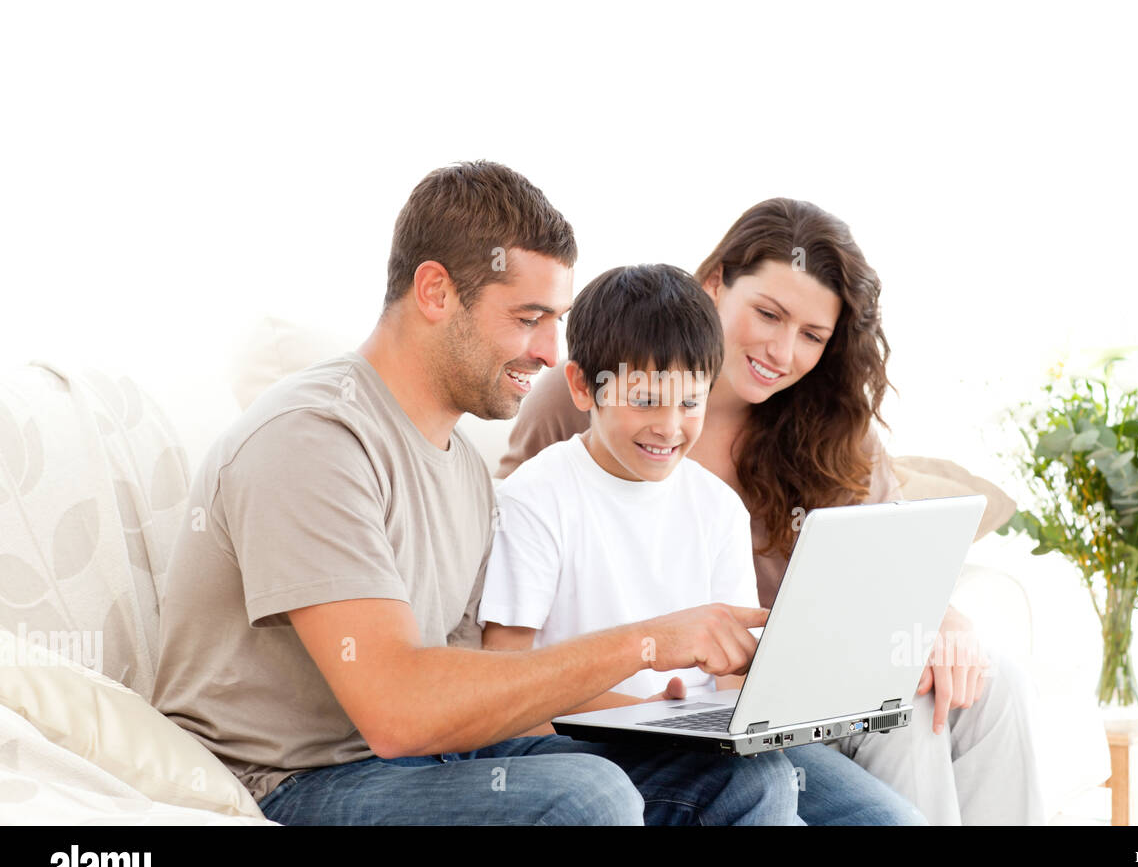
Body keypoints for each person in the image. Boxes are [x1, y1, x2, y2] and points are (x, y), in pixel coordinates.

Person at [150, 161, 803, 825]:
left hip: (434, 761)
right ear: (435, 292)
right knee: (588, 796)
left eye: (557, 321)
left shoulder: (462, 467)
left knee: (744, 781)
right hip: (291, 779)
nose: (550, 352)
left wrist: (658, 718)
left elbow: (475, 685)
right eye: (529, 318)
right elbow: (399, 712)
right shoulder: (313, 438)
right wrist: (648, 643)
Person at [498, 198, 1050, 825]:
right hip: (671, 706)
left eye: (812, 336)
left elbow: (892, 566)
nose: (783, 351)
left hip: (788, 693)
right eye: (768, 313)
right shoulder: (584, 398)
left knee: (991, 680)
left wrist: (944, 617)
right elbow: (510, 564)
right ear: (715, 285)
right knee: (913, 716)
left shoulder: (830, 431)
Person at [478, 263, 925, 825]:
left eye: (690, 402)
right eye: (644, 400)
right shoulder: (535, 499)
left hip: (695, 738)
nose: (669, 426)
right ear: (581, 387)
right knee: (756, 784)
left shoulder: (716, 508)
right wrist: (641, 714)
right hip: (566, 744)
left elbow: (730, 678)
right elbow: (501, 682)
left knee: (890, 819)